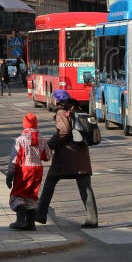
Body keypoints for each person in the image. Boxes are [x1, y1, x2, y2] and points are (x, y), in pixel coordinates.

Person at [36, 90, 98, 228]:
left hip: (66, 156)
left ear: (58, 101)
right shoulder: (76, 108)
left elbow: (63, 131)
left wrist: (49, 144)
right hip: (81, 155)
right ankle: (92, 219)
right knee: (85, 187)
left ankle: (40, 214)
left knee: (49, 183)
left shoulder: (61, 112)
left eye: (53, 99)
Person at [6, 113, 51, 231]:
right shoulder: (42, 139)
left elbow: (13, 159)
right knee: (31, 195)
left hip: (24, 170)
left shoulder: (20, 140)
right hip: (37, 170)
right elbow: (48, 156)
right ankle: (31, 224)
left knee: (17, 194)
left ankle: (20, 221)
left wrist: (10, 175)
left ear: (24, 125)